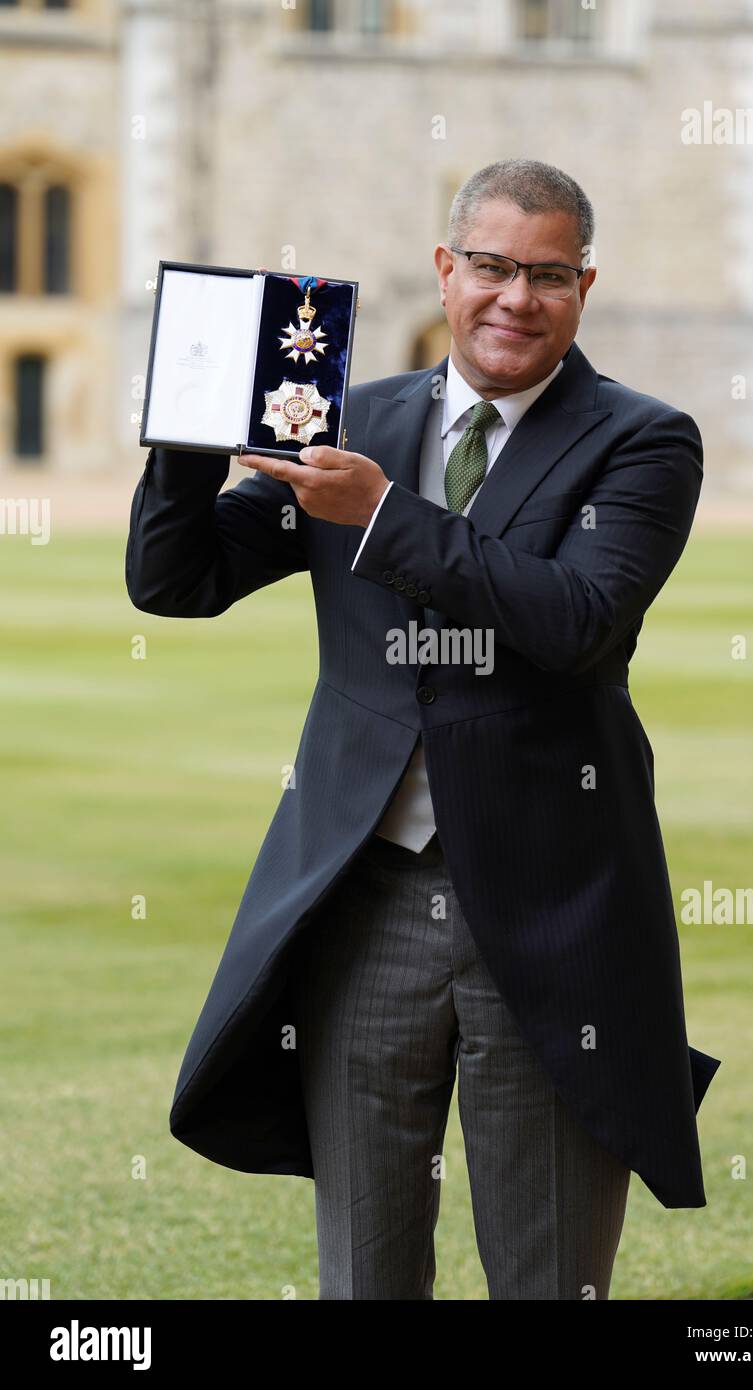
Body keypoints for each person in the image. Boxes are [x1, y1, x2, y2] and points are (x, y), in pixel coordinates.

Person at [126, 158, 720, 1300]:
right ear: (446, 271)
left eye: (548, 275)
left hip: (551, 909)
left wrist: (383, 515)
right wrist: (191, 431)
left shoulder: (643, 441)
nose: (516, 297)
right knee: (367, 1270)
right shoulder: (357, 419)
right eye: (492, 266)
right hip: (366, 904)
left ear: (582, 288)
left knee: (548, 1276)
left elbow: (578, 621)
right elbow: (177, 584)